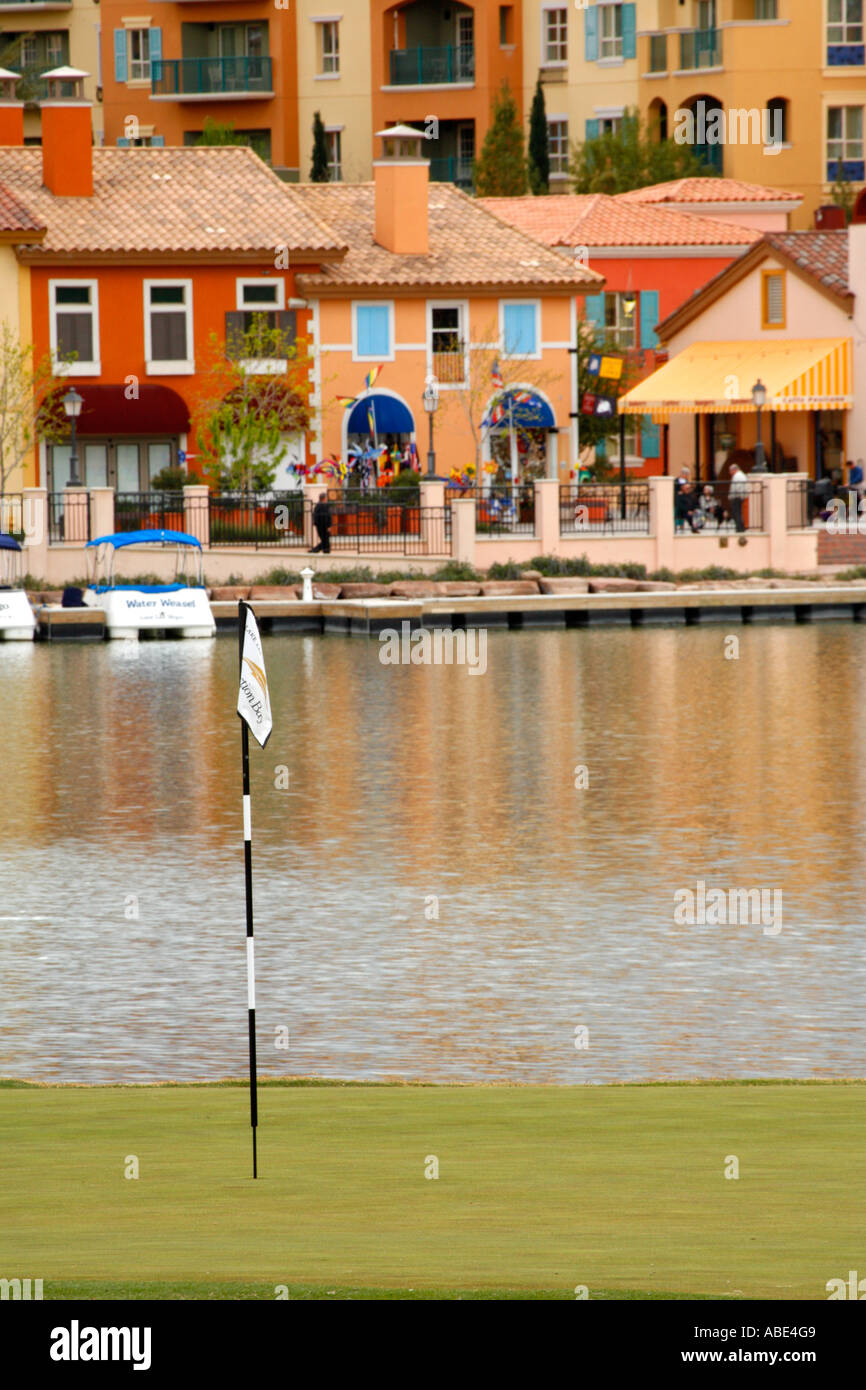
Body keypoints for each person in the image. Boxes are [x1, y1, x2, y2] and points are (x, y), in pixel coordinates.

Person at [728, 462, 748, 533]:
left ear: (734, 470)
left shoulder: (737, 476)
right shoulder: (741, 475)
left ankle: (739, 528)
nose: (730, 473)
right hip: (740, 497)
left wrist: (732, 496)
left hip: (737, 497)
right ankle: (740, 527)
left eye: (730, 471)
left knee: (737, 513)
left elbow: (736, 488)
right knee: (738, 512)